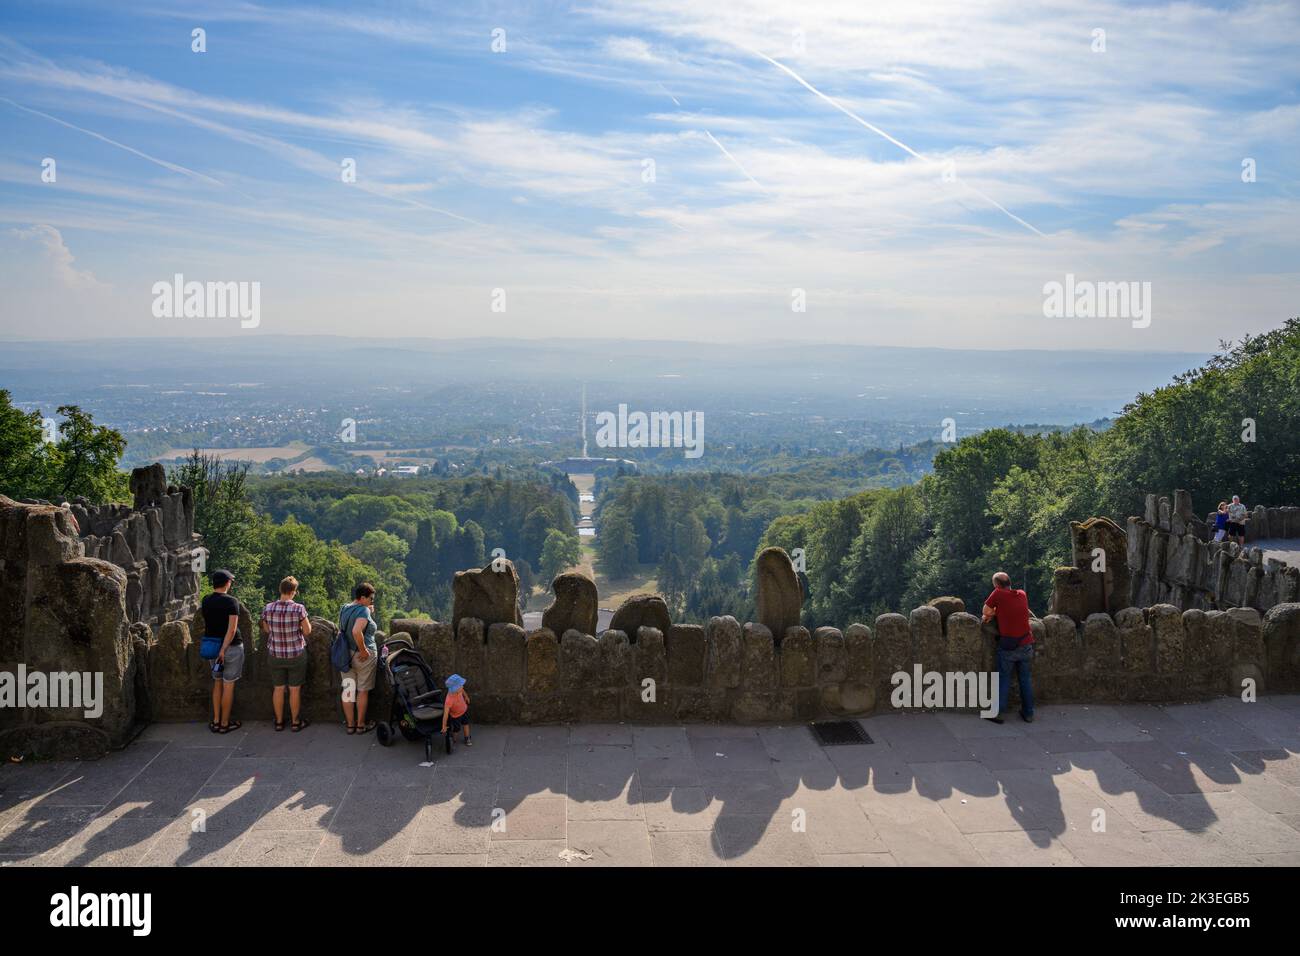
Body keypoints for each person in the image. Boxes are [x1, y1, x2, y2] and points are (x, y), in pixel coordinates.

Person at [981, 571, 1035, 724]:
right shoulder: (1022, 594)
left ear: (996, 585)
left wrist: (995, 613)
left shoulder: (998, 594)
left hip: (1009, 646)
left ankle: (997, 713)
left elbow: (985, 611)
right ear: (1009, 583)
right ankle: (1028, 713)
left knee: (1004, 678)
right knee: (1025, 679)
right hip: (1026, 643)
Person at [260, 576, 312, 732]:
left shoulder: (268, 608)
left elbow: (267, 629)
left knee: (278, 688)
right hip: (295, 653)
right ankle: (295, 722)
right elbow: (308, 630)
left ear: (280, 590)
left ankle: (279, 722)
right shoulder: (298, 609)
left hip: (275, 654)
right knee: (294, 689)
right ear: (293, 592)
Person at [201, 569, 244, 733]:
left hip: (212, 648)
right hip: (231, 648)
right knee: (228, 685)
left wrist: (219, 651)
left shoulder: (206, 600)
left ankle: (216, 720)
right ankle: (225, 724)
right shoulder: (231, 602)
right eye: (230, 581)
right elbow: (232, 630)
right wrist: (224, 650)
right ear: (227, 583)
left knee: (217, 682)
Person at [339, 583, 378, 735]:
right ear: (363, 597)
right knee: (362, 690)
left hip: (345, 654)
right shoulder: (363, 611)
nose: (372, 601)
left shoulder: (344, 608)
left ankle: (350, 725)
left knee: (348, 689)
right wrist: (363, 651)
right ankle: (361, 725)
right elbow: (356, 631)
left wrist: (366, 610)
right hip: (362, 656)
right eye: (371, 598)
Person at [441, 673, 472, 748]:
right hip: (456, 716)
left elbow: (463, 691)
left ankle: (467, 738)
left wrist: (466, 697)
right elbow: (445, 714)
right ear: (455, 688)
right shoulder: (449, 700)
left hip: (464, 710)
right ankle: (453, 739)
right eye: (461, 686)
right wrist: (444, 726)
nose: (462, 686)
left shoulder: (459, 690)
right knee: (456, 729)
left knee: (466, 724)